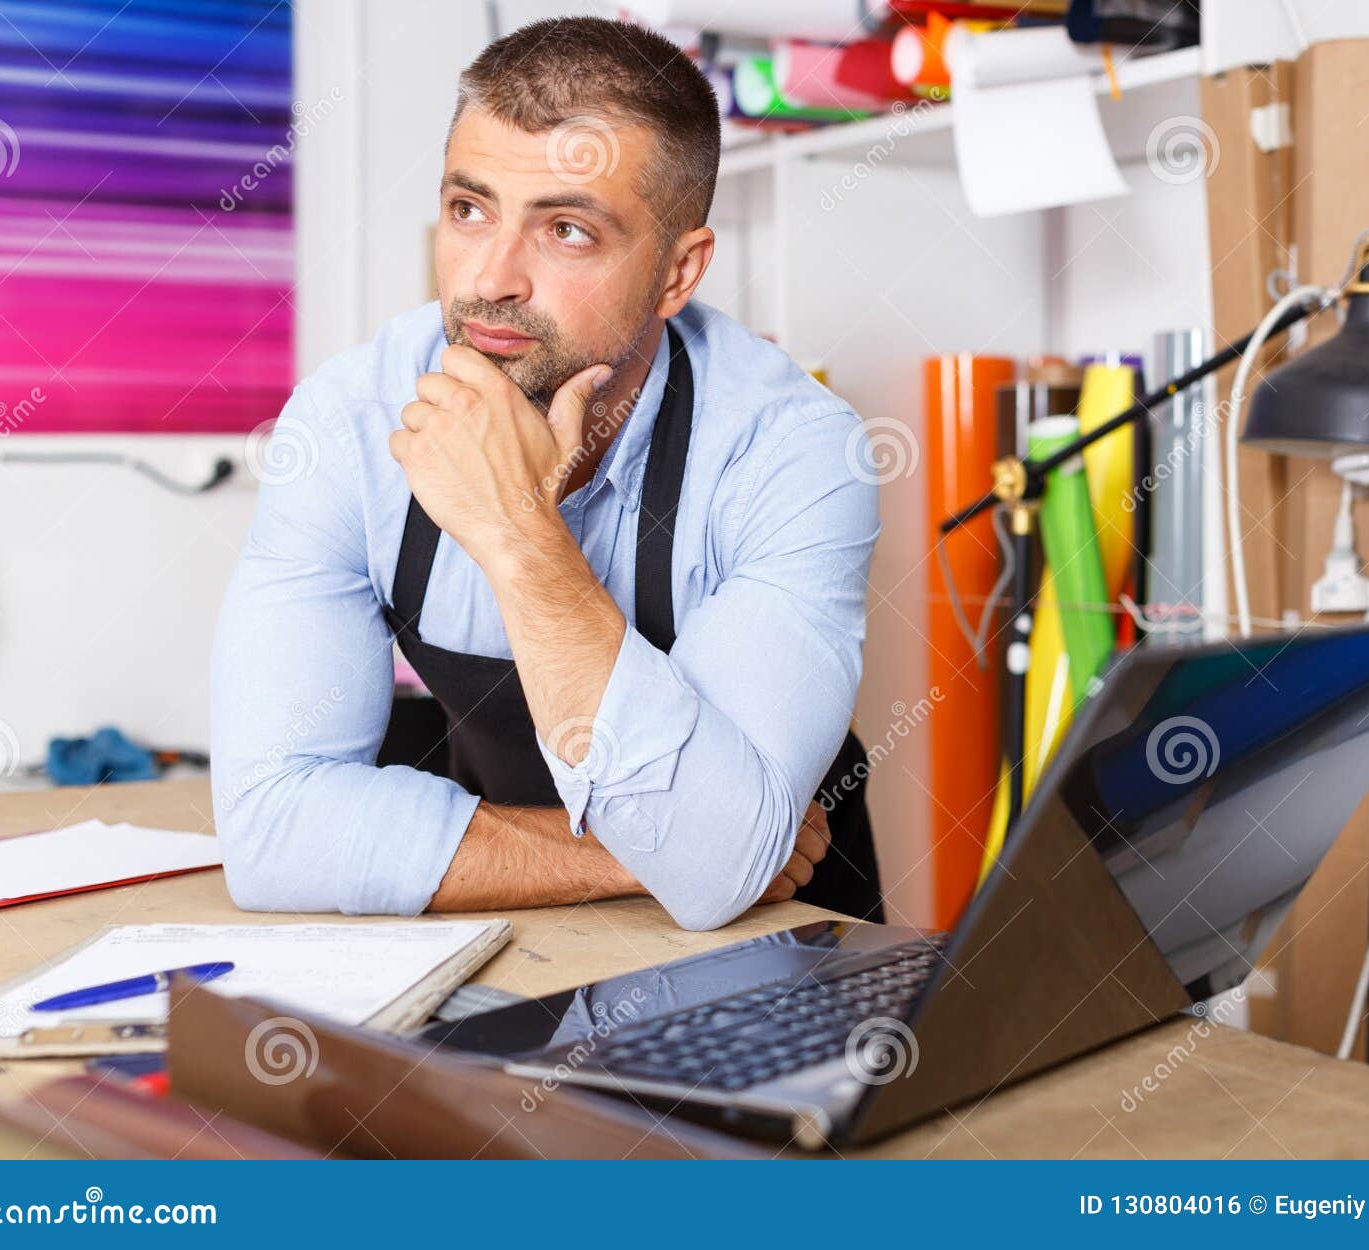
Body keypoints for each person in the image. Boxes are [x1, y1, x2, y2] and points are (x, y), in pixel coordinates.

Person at [210, 16, 883, 930]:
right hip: (521, 928)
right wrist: (663, 855)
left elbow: (725, 885)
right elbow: (270, 833)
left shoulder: (793, 451)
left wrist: (518, 534)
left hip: (786, 939)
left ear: (678, 271)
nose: (491, 279)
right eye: (469, 210)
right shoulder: (348, 422)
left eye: (565, 229)